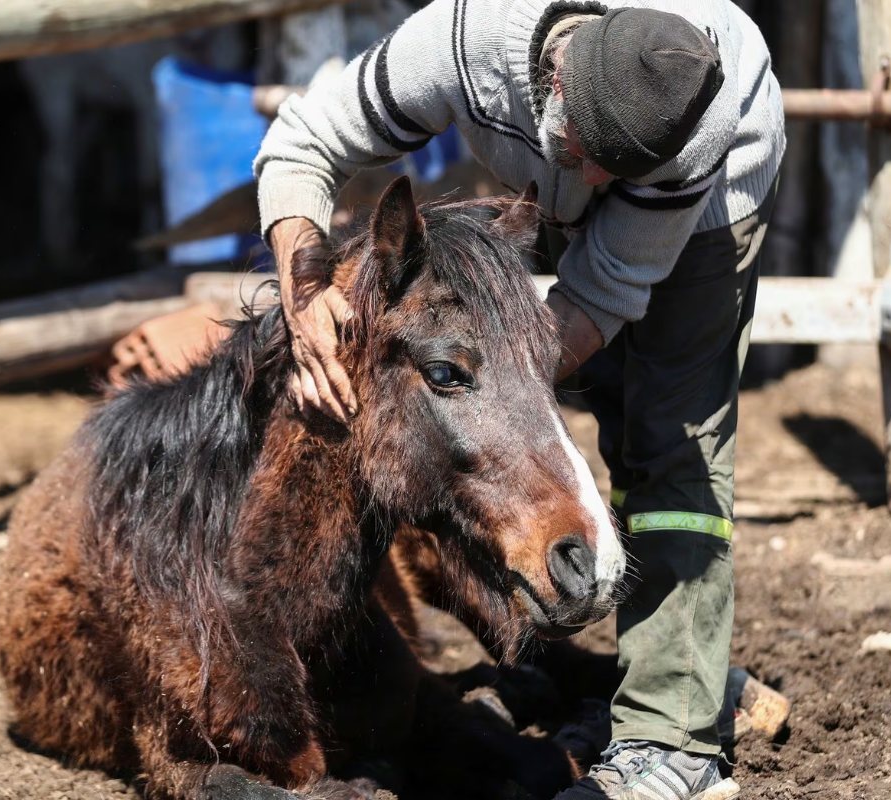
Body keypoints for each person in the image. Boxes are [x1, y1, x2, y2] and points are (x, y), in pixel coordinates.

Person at [118, 1, 785, 797]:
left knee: (668, 439)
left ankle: (672, 733)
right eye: (588, 157)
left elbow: (605, 288)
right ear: (553, 85)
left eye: (615, 174)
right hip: (553, 135)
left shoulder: (696, 138)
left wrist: (488, 406)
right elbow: (303, 142)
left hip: (707, 203)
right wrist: (305, 297)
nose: (596, 187)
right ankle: (583, 638)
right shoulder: (456, 45)